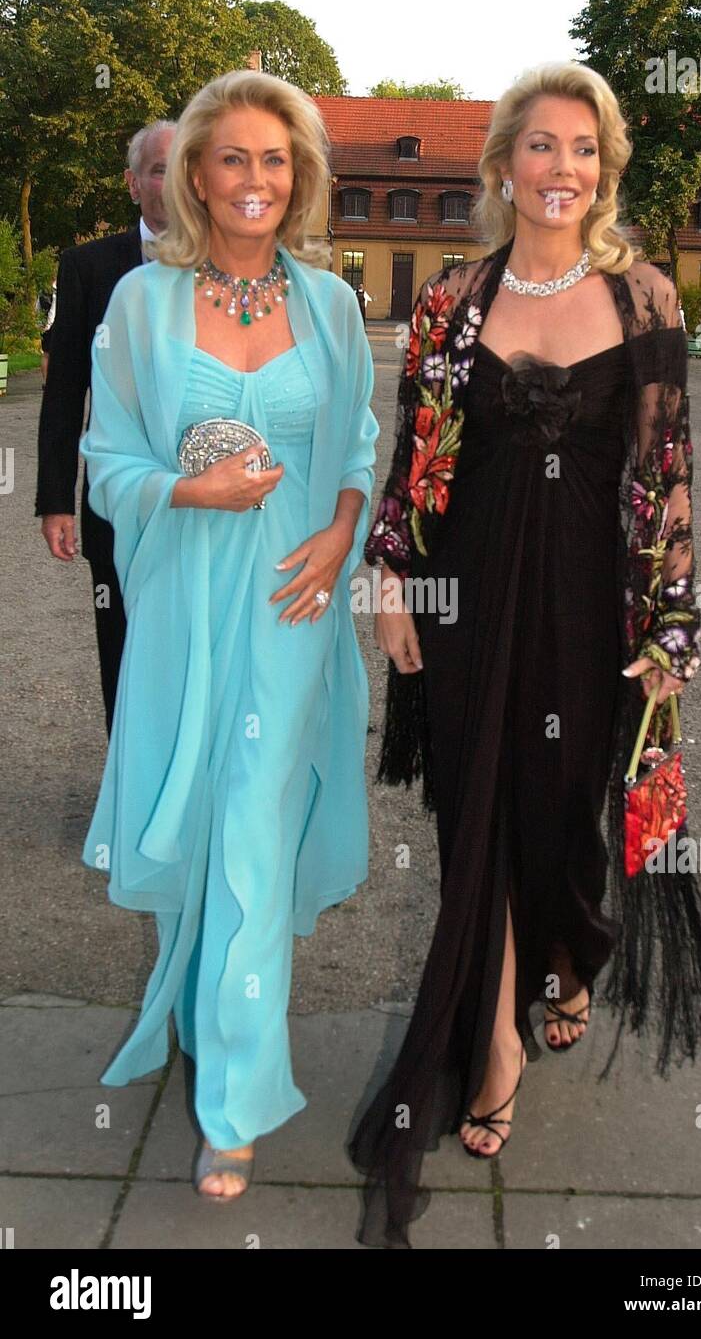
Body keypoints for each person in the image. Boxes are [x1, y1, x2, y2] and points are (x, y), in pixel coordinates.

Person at [347, 61, 701, 1249]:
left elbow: (662, 473)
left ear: (601, 170)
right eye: (541, 146)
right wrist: (391, 575)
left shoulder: (647, 300)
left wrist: (672, 623)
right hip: (466, 591)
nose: (561, 169)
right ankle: (495, 1033)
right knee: (477, 807)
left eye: (583, 150)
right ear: (502, 161)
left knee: (565, 812)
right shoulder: (448, 300)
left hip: (586, 601)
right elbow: (416, 446)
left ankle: (571, 950)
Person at [78, 69, 378, 1200]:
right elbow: (106, 463)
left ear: (297, 175)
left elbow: (353, 444)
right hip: (182, 601)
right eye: (232, 158)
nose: (256, 179)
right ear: (193, 176)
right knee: (200, 814)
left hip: (294, 602)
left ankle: (234, 1098)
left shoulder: (333, 305)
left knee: (254, 819)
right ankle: (208, 1005)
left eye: (275, 158)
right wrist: (184, 494)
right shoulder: (140, 307)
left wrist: (342, 525)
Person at [35, 120, 176, 734]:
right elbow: (65, 390)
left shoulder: (231, 266)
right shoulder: (88, 267)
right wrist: (53, 499)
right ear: (132, 183)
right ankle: (128, 779)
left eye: (185, 166)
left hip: (207, 498)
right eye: (158, 169)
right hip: (114, 500)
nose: (173, 184)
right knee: (119, 637)